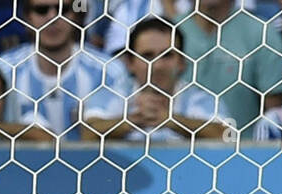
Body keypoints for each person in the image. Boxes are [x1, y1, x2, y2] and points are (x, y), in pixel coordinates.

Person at [0, 0, 134, 141]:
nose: (53, 17)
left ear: (76, 15)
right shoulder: (4, 70)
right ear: (27, 17)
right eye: (41, 10)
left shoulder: (108, 71)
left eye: (63, 9)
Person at [91, 16, 231, 142]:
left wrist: (171, 120)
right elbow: (88, 134)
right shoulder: (113, 95)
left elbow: (226, 135)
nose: (157, 65)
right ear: (130, 63)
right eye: (147, 56)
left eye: (166, 55)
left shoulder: (201, 99)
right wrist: (133, 121)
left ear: (182, 62)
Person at [175, 0, 282, 134]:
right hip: (174, 149)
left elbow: (277, 112)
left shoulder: (261, 33)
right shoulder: (171, 29)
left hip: (245, 150)